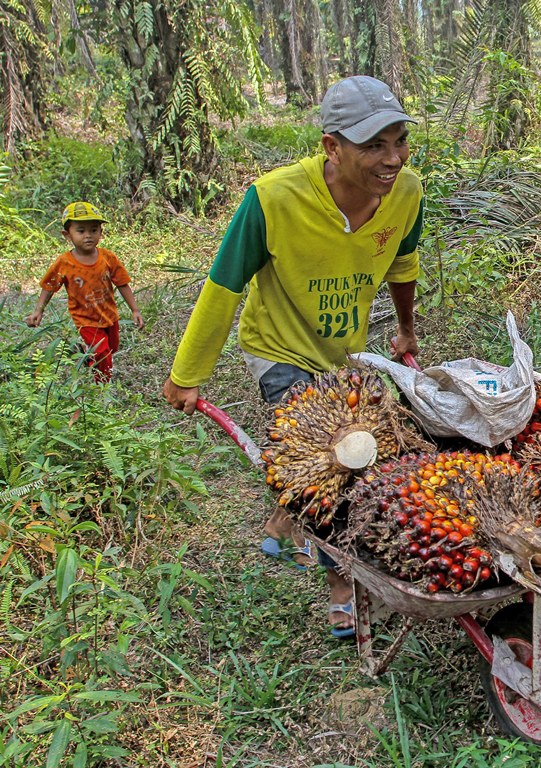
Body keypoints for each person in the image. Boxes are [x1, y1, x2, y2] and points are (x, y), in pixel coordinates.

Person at [162, 75, 423, 638]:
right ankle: (341, 586)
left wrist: (404, 331)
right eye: (374, 145)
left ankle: (283, 521)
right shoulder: (273, 199)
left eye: (399, 141)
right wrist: (188, 373)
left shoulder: (407, 193)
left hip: (343, 352)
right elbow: (224, 285)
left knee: (366, 447)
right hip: (276, 345)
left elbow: (403, 265)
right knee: (335, 463)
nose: (392, 158)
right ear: (332, 146)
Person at [26, 201, 145, 381]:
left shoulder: (108, 258)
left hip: (109, 315)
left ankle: (87, 357)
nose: (88, 236)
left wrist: (135, 310)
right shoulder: (65, 263)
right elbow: (49, 286)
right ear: (67, 235)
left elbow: (122, 283)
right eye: (81, 231)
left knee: (112, 348)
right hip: (85, 319)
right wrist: (38, 311)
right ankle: (101, 388)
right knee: (103, 352)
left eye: (94, 230)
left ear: (101, 232)